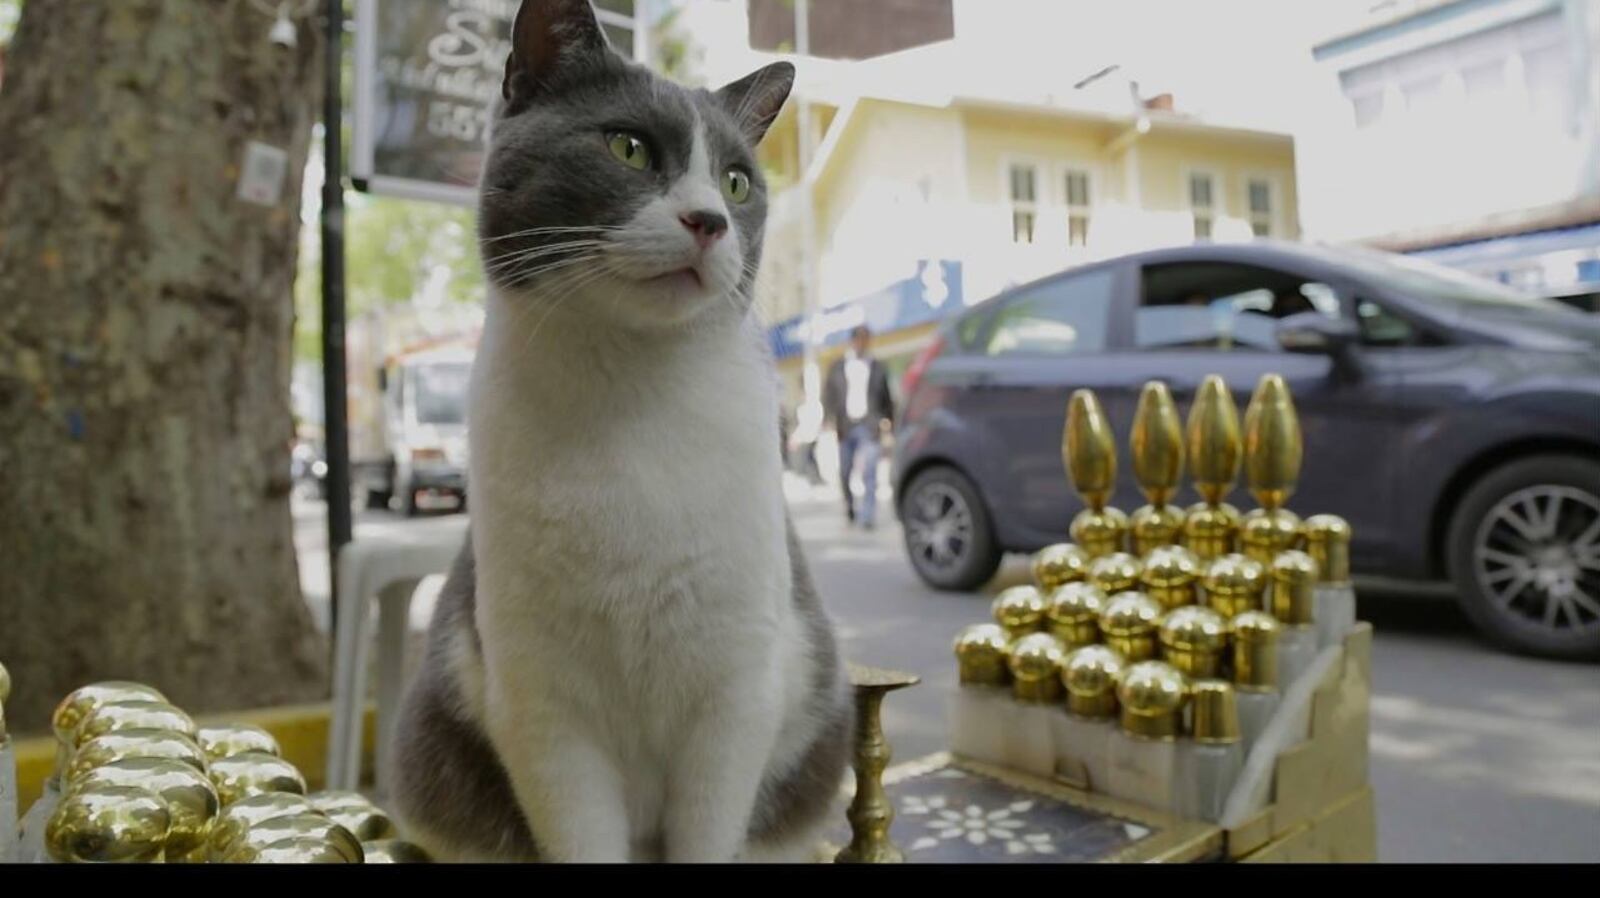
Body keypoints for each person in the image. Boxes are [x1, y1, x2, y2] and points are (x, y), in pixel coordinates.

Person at [823, 325, 895, 529]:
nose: (863, 343)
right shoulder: (838, 366)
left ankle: (868, 516)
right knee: (845, 471)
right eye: (860, 339)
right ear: (853, 341)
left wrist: (888, 420)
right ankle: (850, 506)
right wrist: (828, 419)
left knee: (870, 471)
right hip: (845, 426)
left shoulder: (878, 367)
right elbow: (829, 395)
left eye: (867, 339)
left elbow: (886, 396)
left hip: (869, 425)